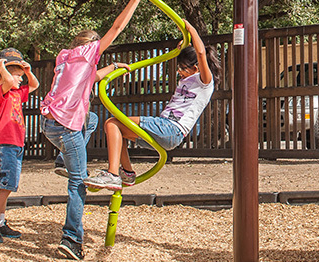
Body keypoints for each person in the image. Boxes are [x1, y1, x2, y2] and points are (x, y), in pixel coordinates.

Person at [40, 0, 149, 260]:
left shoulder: (65, 58)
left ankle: (62, 160)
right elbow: (117, 28)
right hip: (66, 126)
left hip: (49, 123)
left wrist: (113, 68)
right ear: (90, 46)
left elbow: (91, 77)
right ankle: (71, 239)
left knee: (92, 119)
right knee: (78, 183)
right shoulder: (88, 52)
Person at [84, 21, 220, 191]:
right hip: (165, 129)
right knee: (115, 129)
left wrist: (191, 29)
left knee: (112, 123)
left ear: (196, 68)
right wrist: (184, 47)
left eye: (183, 68)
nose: (179, 72)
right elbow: (194, 52)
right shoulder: (187, 79)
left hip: (171, 129)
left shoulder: (205, 82)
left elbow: (200, 53)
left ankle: (113, 174)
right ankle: (126, 173)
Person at [0, 48, 39, 243]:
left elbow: (35, 85)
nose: (20, 80)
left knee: (10, 185)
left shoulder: (17, 93)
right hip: (3, 145)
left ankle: (1, 222)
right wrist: (1, 66)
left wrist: (28, 71)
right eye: (17, 76)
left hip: (15, 145)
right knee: (4, 187)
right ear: (4, 75)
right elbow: (6, 81)